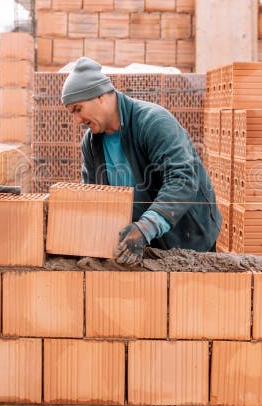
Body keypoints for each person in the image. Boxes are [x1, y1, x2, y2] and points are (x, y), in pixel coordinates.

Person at [61, 56, 221, 265]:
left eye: (78, 109)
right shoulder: (91, 143)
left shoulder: (153, 122)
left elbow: (182, 180)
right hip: (142, 244)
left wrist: (145, 228)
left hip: (186, 238)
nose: (77, 120)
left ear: (100, 96)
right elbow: (92, 195)